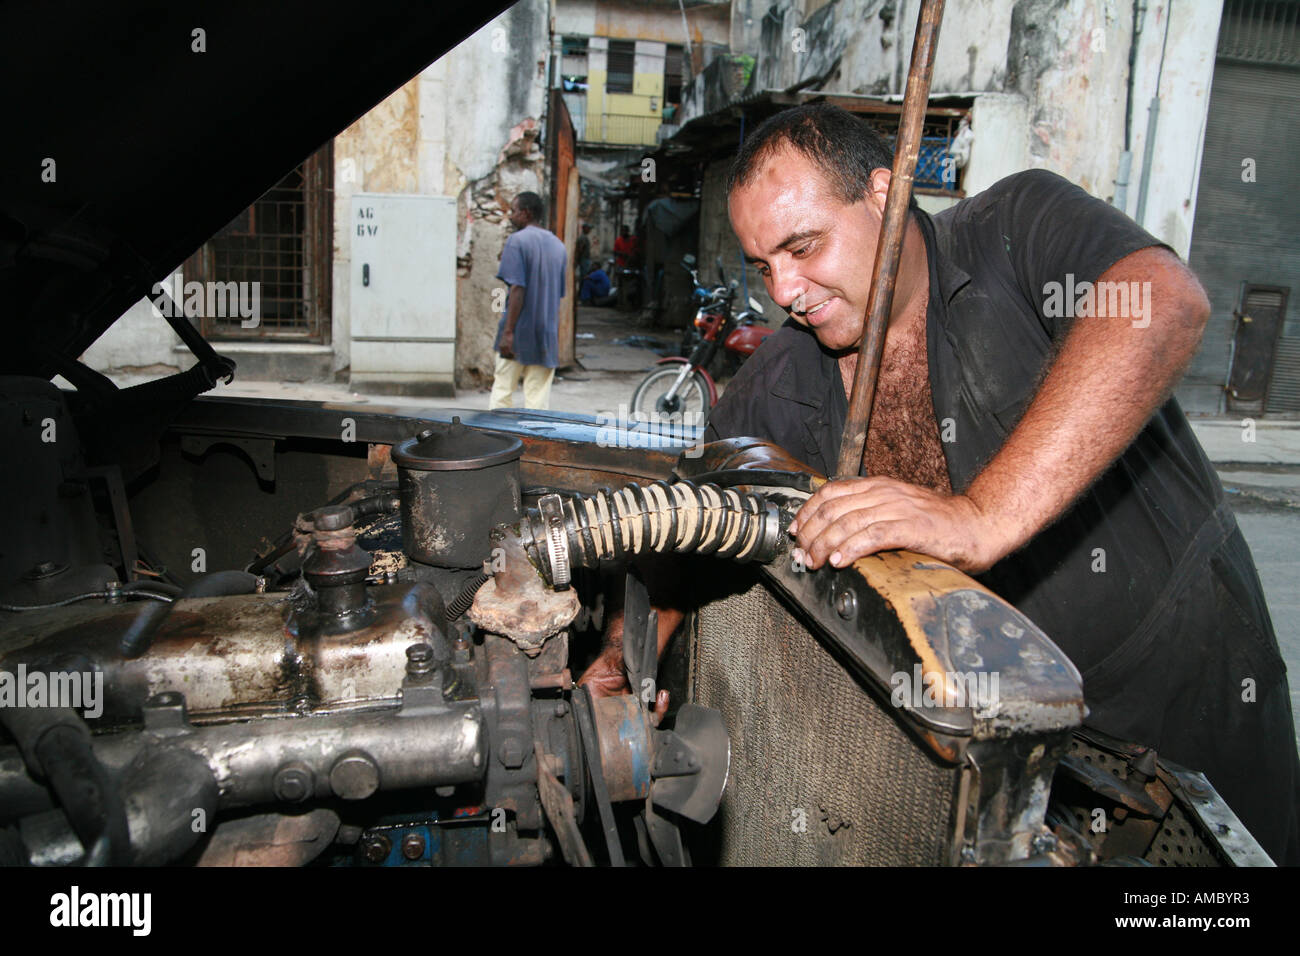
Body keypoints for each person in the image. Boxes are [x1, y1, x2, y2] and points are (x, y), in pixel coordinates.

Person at [579, 103, 1300, 864]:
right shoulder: (776, 386)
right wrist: (622, 664)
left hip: (1186, 697)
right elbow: (686, 535)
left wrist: (978, 516)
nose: (784, 290)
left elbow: (1162, 299)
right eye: (764, 266)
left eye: (803, 247)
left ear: (885, 196)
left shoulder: (1015, 228)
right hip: (999, 755)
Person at [490, 191, 567, 410]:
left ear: (525, 213)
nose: (511, 217)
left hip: (518, 332)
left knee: (502, 393)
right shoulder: (559, 246)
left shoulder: (517, 241)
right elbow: (558, 295)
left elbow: (517, 289)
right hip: (546, 336)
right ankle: (535, 443)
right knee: (538, 402)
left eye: (513, 211)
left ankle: (497, 442)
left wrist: (508, 333)